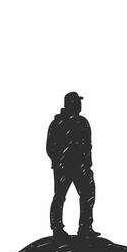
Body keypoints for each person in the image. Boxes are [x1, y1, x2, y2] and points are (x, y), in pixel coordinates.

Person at [47, 92, 97, 238]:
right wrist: (60, 161)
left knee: (87, 195)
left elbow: (88, 145)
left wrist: (87, 164)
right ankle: (57, 228)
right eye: (77, 102)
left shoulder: (81, 122)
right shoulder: (59, 123)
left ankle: (85, 227)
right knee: (60, 197)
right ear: (72, 104)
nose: (80, 105)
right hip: (65, 167)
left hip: (80, 167)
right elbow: (50, 147)